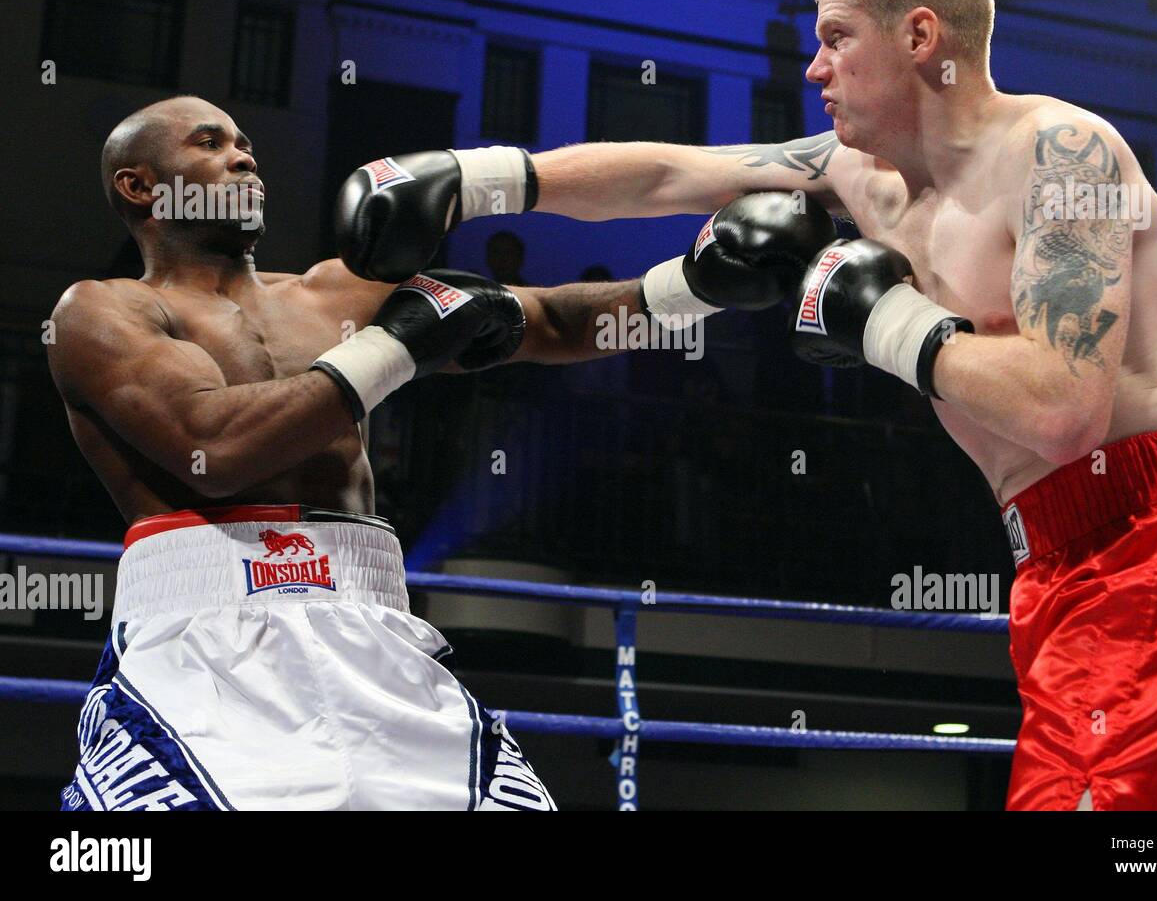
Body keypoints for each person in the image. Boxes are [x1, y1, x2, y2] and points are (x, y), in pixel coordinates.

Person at [346, 0, 1157, 811]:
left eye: (838, 38)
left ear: (921, 34)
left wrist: (885, 319)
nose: (816, 67)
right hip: (1050, 552)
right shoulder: (859, 177)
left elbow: (1062, 413)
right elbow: (674, 173)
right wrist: (475, 180)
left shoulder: (1061, 155)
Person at [51, 96, 831, 810]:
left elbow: (547, 321)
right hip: (205, 654)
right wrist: (394, 349)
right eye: (211, 142)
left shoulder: (337, 294)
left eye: (247, 142)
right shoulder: (100, 311)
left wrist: (695, 286)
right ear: (140, 185)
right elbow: (211, 449)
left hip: (373, 628)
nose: (245, 156)